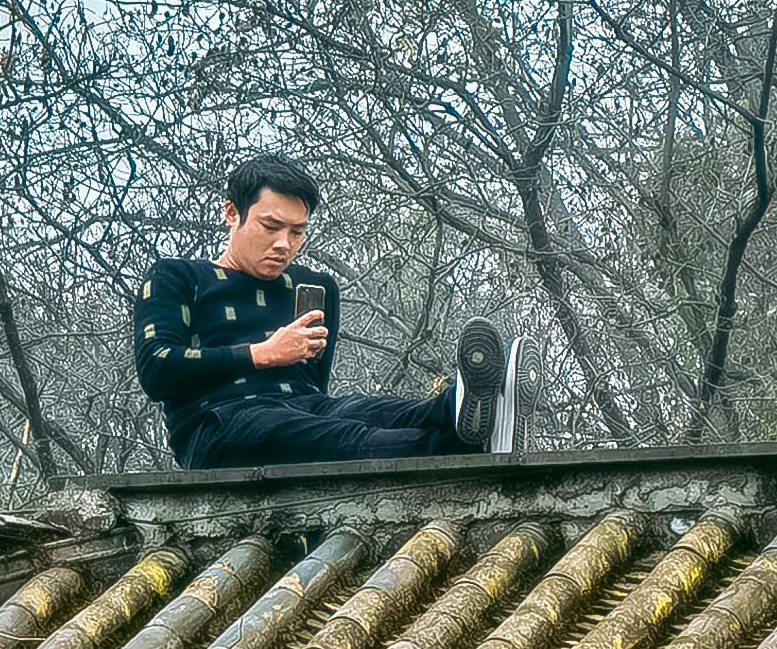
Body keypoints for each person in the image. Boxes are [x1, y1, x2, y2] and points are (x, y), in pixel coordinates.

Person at [134, 153, 517, 469]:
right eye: (271, 227)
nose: (284, 243)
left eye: (297, 232)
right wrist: (262, 353)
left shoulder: (314, 287)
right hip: (219, 426)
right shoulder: (178, 277)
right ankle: (466, 449)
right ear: (232, 213)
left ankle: (470, 408)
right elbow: (157, 368)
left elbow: (313, 385)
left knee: (374, 412)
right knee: (342, 437)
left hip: (304, 408)